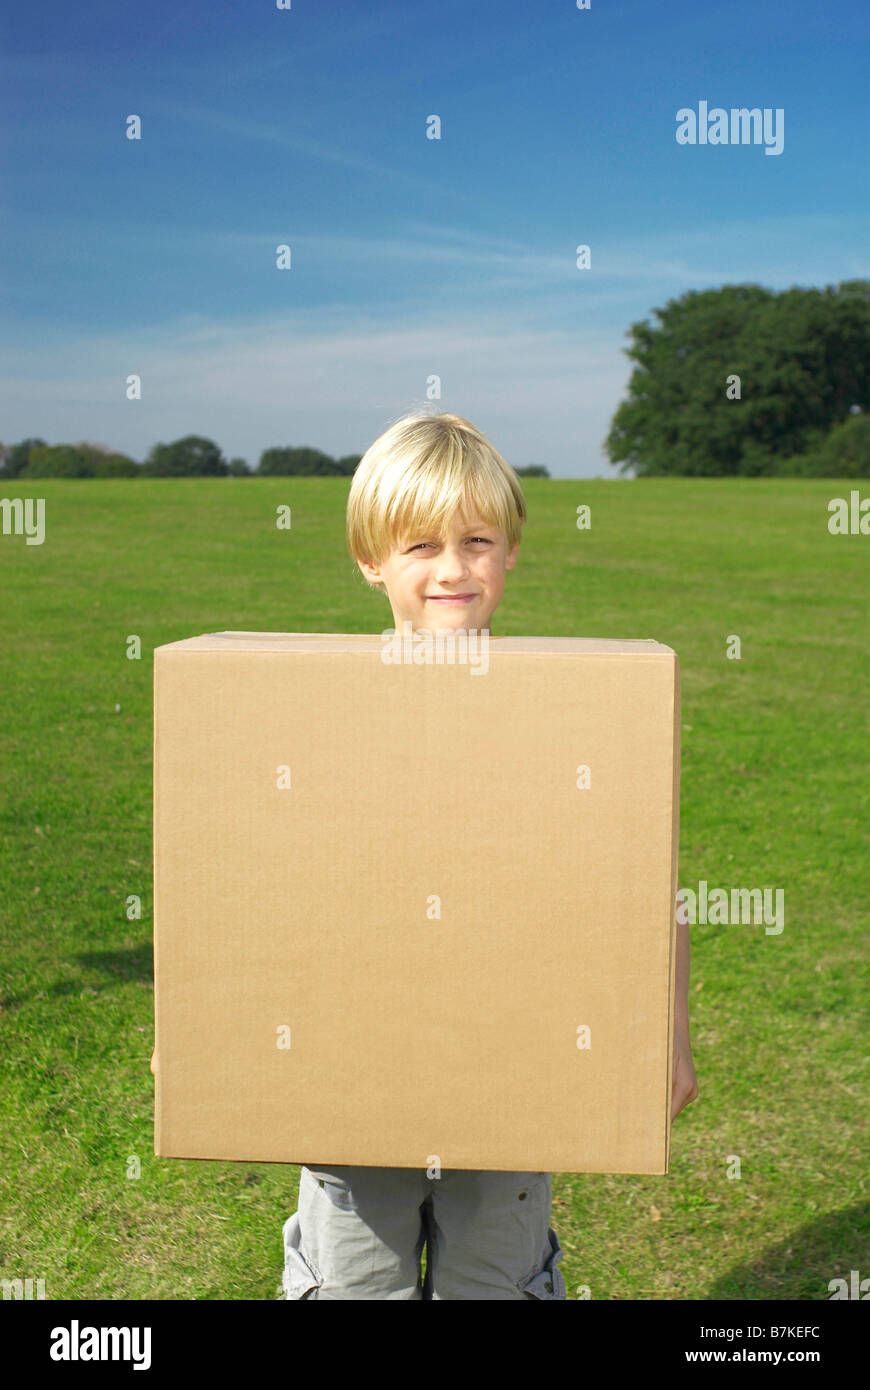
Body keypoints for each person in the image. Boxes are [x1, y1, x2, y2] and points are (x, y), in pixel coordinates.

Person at [151, 410, 698, 1298]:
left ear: (511, 548)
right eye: (419, 546)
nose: (452, 568)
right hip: (348, 1088)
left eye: (477, 540)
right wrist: (196, 1030)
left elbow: (641, 876)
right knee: (355, 1284)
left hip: (512, 1081)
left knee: (496, 1280)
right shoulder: (313, 716)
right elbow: (229, 870)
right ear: (371, 559)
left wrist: (669, 1035)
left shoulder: (570, 715)